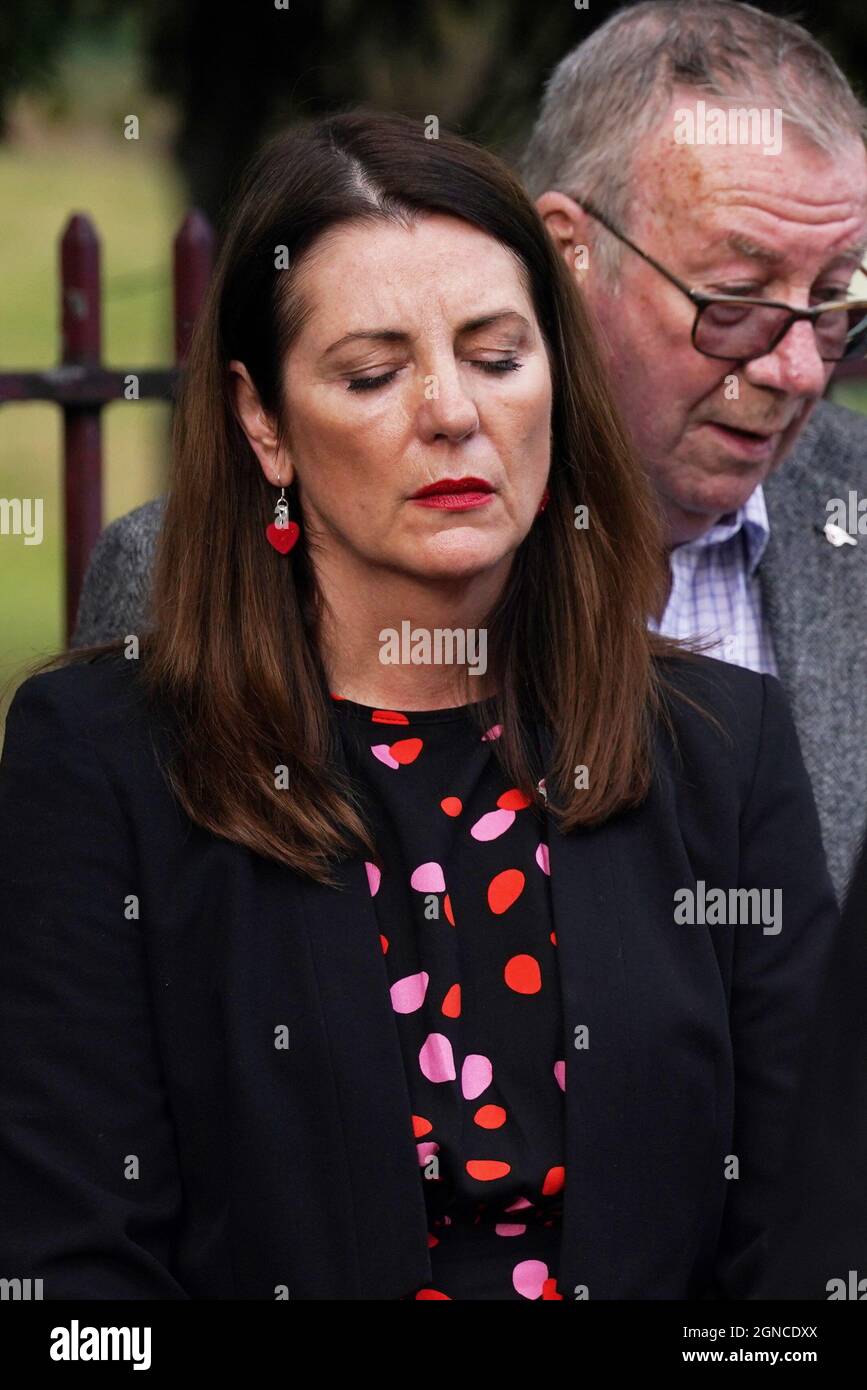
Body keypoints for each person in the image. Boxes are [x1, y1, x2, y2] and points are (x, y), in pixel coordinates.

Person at [0, 110, 838, 1300]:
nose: (452, 412)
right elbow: (74, 1279)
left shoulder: (724, 749)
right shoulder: (105, 760)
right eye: (374, 373)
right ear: (262, 421)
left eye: (498, 357)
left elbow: (802, 1247)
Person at [521, 0, 867, 903]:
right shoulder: (271, 568)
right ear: (569, 255)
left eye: (832, 301)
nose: (797, 370)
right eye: (738, 296)